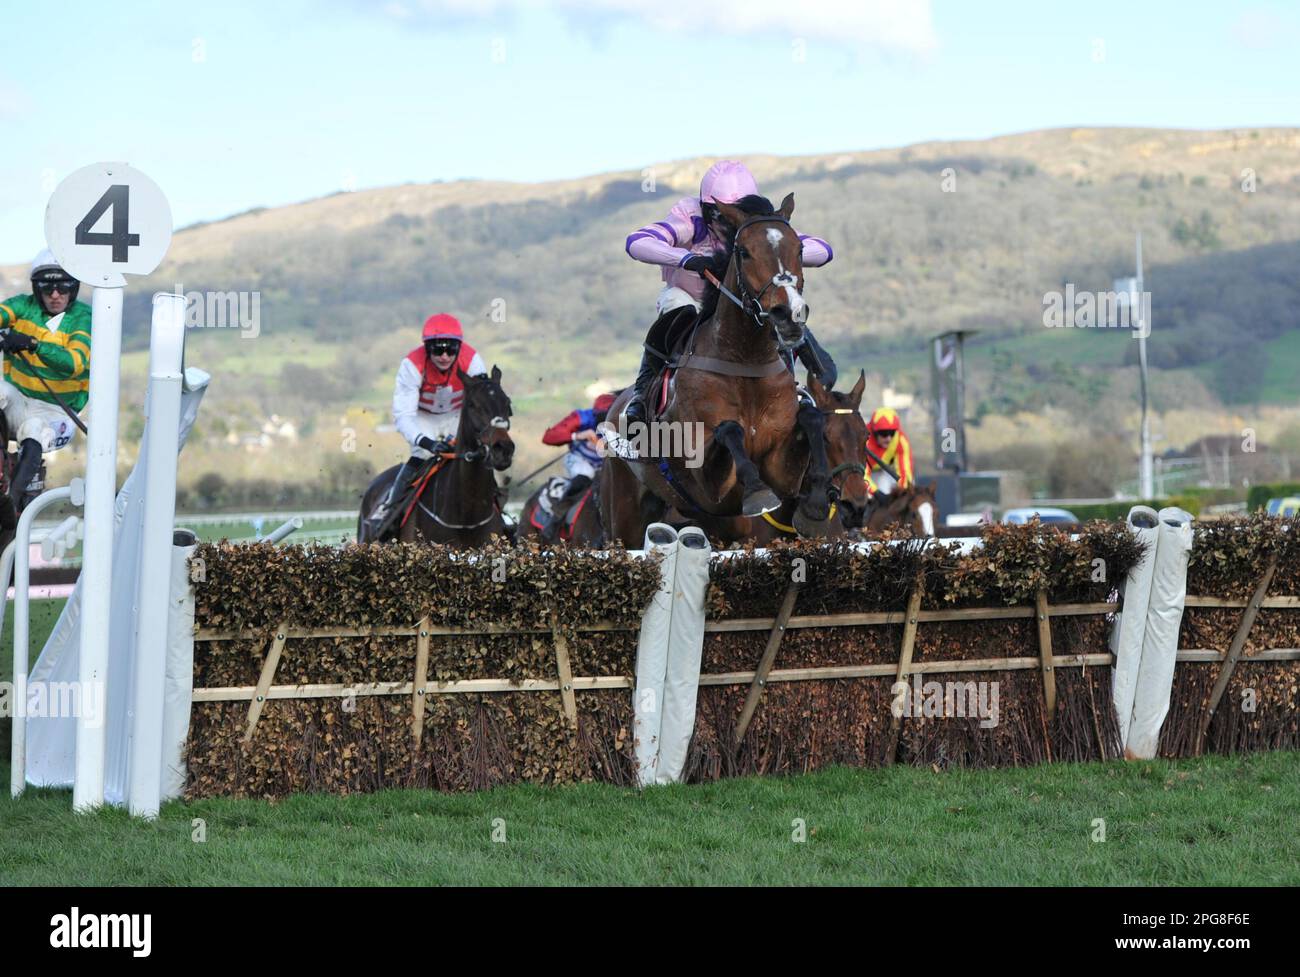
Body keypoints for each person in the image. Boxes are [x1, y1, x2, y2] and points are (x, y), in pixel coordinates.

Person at [623, 160, 837, 424]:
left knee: (777, 310)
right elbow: (636, 242)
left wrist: (784, 252)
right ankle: (642, 395)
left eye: (734, 212)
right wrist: (685, 259)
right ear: (705, 208)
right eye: (718, 213)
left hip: (735, 305)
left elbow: (823, 251)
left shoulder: (757, 225)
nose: (727, 220)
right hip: (688, 298)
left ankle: (796, 390)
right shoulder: (689, 217)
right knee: (677, 307)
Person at [364, 314, 487, 535]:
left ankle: (497, 509)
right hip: (422, 417)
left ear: (459, 348)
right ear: (427, 348)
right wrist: (426, 442)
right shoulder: (412, 364)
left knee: (476, 458)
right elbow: (403, 415)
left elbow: (482, 403)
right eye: (437, 350)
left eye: (450, 350)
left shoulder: (473, 361)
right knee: (421, 455)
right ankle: (391, 511)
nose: (444, 356)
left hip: (458, 415)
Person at [0, 250, 90, 511]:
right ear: (35, 288)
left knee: (34, 429)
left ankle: (11, 502)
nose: (55, 295)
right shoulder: (23, 305)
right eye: (47, 287)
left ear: (73, 288)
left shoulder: (84, 317)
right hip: (20, 401)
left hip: (57, 414)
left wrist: (33, 344)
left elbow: (74, 363)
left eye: (63, 287)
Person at [535, 392, 615, 541]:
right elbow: (549, 437)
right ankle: (555, 521)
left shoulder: (621, 423)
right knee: (585, 476)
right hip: (579, 460)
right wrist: (577, 435)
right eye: (601, 417)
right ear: (595, 413)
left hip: (603, 467)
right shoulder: (582, 417)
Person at [864, 407, 914, 495]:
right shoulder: (863, 440)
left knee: (910, 486)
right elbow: (862, 476)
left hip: (884, 472)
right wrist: (876, 493)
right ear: (874, 433)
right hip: (863, 474)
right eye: (884, 433)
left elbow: (905, 473)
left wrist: (903, 495)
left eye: (892, 433)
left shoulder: (901, 440)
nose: (888, 438)